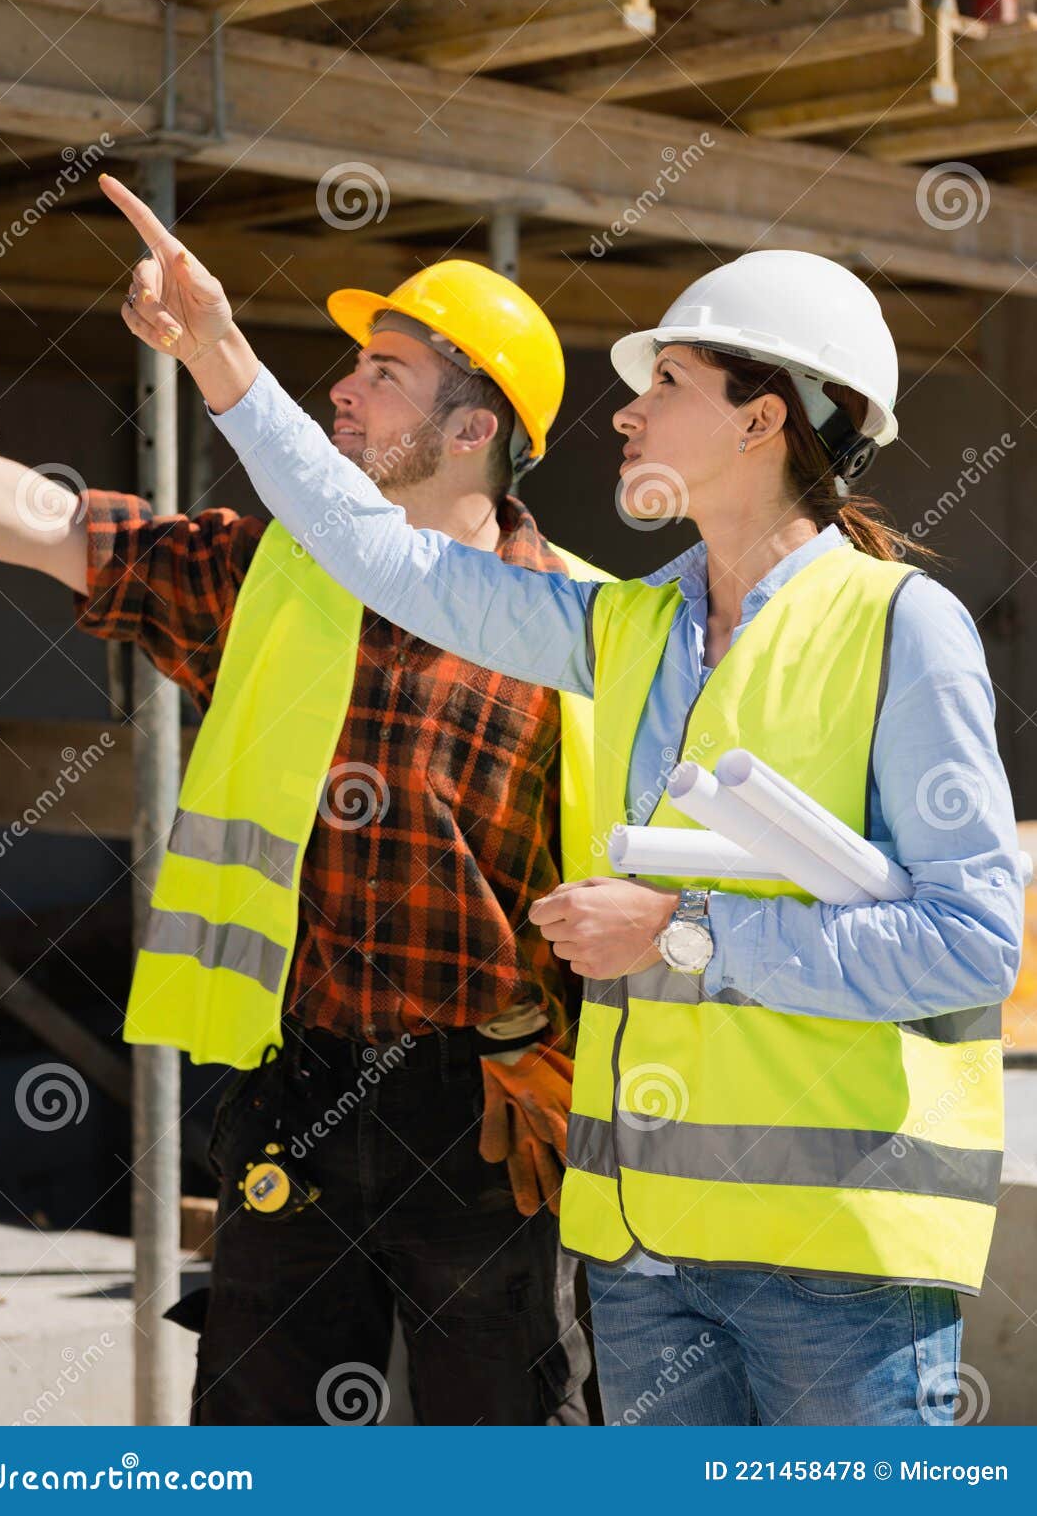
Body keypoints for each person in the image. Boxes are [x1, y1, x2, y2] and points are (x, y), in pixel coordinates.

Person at [100, 174, 1022, 1426]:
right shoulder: (630, 629)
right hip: (645, 1251)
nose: (626, 411)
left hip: (835, 1262)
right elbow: (376, 550)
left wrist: (684, 932)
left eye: (669, 382)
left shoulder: (903, 626)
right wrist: (218, 351)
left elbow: (972, 942)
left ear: (763, 420)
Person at [0, 212, 609, 1424]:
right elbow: (56, 524)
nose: (343, 392)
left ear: (473, 430)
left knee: (513, 1449)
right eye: (355, 366)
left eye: (385, 373)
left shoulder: (585, 624)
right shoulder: (271, 578)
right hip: (295, 1095)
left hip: (492, 1114)